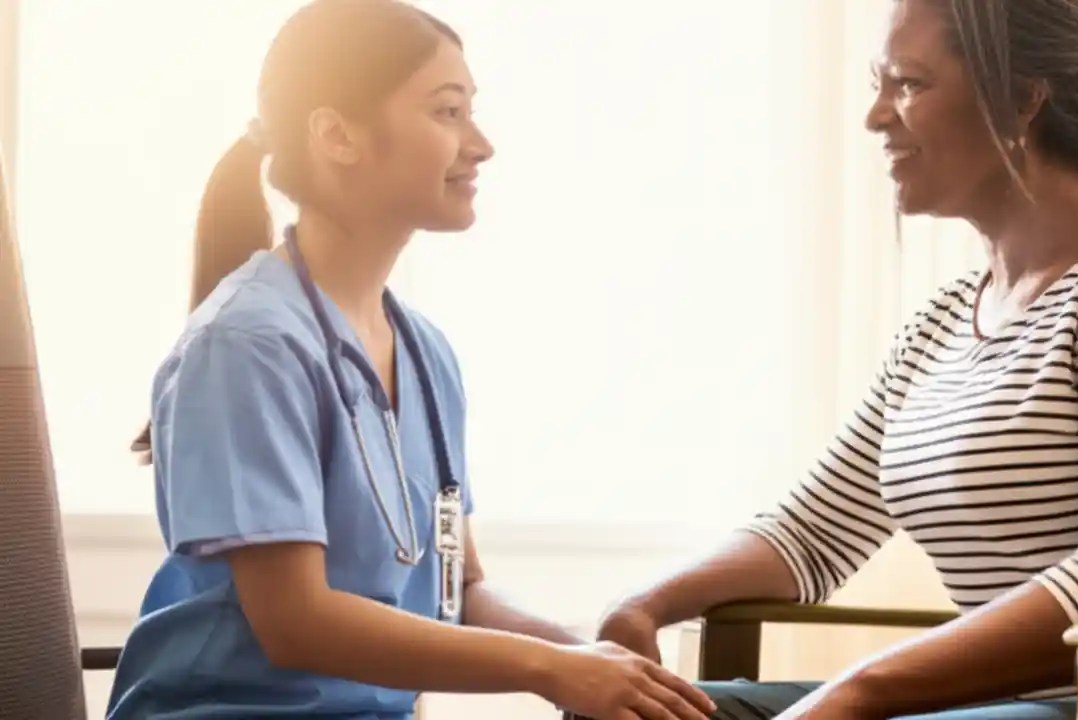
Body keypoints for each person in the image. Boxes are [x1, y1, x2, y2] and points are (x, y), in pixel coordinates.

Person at [596, 0, 1078, 718]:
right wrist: (643, 605)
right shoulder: (946, 322)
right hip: (1004, 704)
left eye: (908, 85)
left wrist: (856, 693)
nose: (876, 117)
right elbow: (813, 531)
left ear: (1021, 101)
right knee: (617, 706)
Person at [105, 2, 717, 719]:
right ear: (336, 134)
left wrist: (592, 663)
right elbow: (295, 620)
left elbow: (460, 591)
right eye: (448, 112)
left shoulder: (424, 353)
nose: (481, 144)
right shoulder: (246, 346)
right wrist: (549, 669)